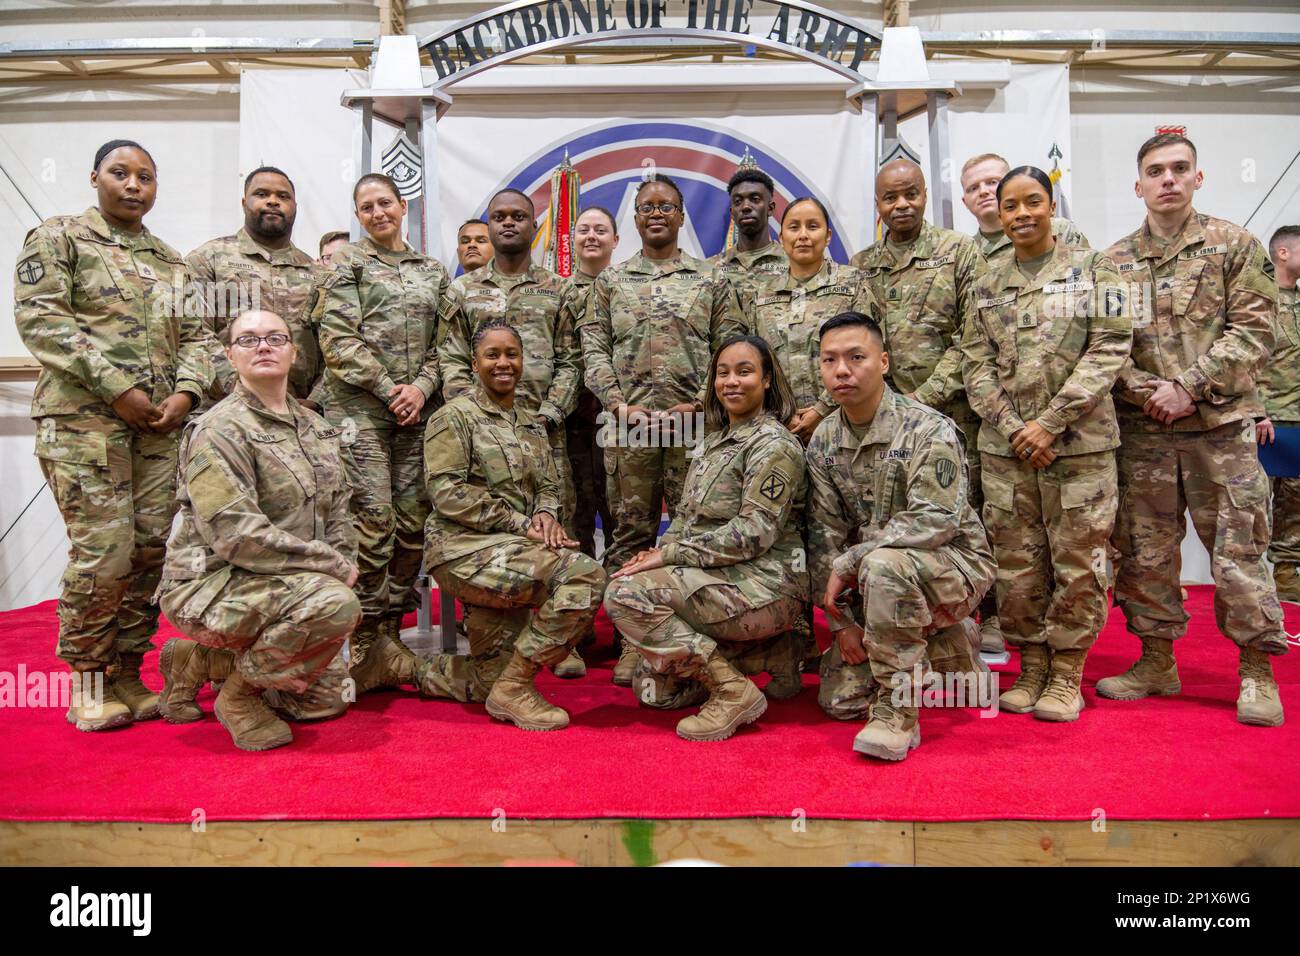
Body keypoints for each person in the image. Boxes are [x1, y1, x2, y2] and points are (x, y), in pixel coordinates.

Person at [15, 139, 214, 732]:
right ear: (94, 177)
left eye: (146, 177)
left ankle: (129, 669)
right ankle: (90, 680)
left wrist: (187, 393)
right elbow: (43, 320)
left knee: (150, 552)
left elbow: (202, 338)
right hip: (86, 424)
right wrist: (117, 389)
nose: (134, 185)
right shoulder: (59, 239)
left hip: (157, 429)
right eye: (121, 173)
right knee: (104, 554)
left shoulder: (171, 261)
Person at [1101, 133, 1287, 726]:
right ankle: (1157, 660)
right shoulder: (1112, 262)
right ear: (1139, 186)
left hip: (1219, 430)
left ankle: (1256, 671)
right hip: (1146, 432)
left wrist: (1190, 386)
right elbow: (1103, 350)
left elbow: (1257, 332)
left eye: (1180, 169)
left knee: (1239, 551)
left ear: (1198, 178)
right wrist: (1149, 392)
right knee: (1146, 554)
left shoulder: (1235, 245)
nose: (1169, 179)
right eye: (1156, 171)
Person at [962, 165, 1132, 721]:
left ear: (1051, 203)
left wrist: (1051, 422)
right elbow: (974, 362)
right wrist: (1015, 427)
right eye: (1010, 206)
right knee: (1016, 565)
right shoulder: (985, 280)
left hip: (1078, 447)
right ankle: (1030, 663)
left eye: (1032, 202)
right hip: (1007, 451)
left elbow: (1111, 346)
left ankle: (1066, 673)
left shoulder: (1098, 268)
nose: (1021, 214)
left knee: (1079, 562)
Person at [156, 310, 361, 752]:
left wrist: (344, 563)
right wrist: (330, 568)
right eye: (248, 340)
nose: (263, 347)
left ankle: (199, 662)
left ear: (293, 351)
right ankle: (239, 698)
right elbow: (236, 535)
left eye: (275, 338)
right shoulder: (218, 429)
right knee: (334, 606)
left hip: (289, 584)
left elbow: (340, 516)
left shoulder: (317, 429)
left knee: (322, 704)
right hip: (212, 583)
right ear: (230, 355)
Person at [578, 174, 748, 686]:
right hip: (629, 427)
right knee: (629, 533)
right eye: (647, 206)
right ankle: (634, 640)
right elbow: (593, 348)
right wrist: (617, 402)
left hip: (692, 427)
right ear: (635, 218)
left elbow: (732, 349)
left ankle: (688, 637)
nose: (656, 214)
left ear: (680, 216)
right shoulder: (611, 282)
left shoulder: (711, 280)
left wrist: (700, 403)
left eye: (667, 206)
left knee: (692, 535)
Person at [810, 312, 995, 760]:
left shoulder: (927, 428)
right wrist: (843, 625)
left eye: (857, 357)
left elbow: (934, 521)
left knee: (882, 563)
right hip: (876, 583)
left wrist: (852, 561)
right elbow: (822, 538)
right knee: (839, 700)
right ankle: (948, 651)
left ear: (885, 361)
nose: (842, 370)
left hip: (953, 567)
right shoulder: (823, 440)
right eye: (830, 360)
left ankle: (899, 709)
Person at [604, 335, 807, 740]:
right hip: (717, 578)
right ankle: (765, 654)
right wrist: (658, 552)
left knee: (625, 596)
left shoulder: (774, 445)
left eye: (745, 372)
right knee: (653, 692)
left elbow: (755, 532)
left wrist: (671, 557)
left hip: (766, 583)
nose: (731, 381)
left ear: (767, 380)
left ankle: (732, 691)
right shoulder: (713, 441)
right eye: (723, 372)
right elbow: (685, 519)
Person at [418, 319, 606, 729]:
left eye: (512, 354)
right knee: (584, 576)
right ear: (474, 363)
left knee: (487, 681)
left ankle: (406, 670)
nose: (503, 363)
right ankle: (517, 686)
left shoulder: (530, 423)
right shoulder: (454, 418)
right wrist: (523, 522)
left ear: (523, 362)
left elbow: (550, 484)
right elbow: (447, 494)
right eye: (492, 355)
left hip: (515, 550)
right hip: (462, 552)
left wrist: (545, 513)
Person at [851, 160, 1002, 653]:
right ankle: (898, 621)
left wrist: (922, 399)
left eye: (910, 194)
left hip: (950, 417)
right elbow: (857, 344)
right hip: (880, 423)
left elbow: (974, 336)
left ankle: (979, 617)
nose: (901, 205)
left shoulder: (957, 253)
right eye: (890, 198)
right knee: (894, 517)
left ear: (924, 196)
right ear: (877, 204)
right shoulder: (861, 265)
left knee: (961, 513)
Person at [313, 172, 449, 696]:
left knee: (414, 523)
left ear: (402, 205)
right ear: (357, 214)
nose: (377, 213)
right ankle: (367, 638)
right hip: (360, 412)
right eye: (366, 207)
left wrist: (421, 387)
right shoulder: (347, 263)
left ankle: (394, 632)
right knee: (373, 524)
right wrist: (392, 387)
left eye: (384, 203)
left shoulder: (431, 270)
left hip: (416, 412)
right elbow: (338, 339)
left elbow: (447, 343)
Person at [438, 188, 583, 674]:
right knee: (490, 520)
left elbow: (571, 361)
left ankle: (563, 637)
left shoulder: (557, 289)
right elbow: (451, 357)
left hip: (543, 428)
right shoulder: (462, 291)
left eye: (518, 217)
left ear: (533, 223)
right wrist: (469, 415)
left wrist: (550, 415)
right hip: (479, 437)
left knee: (554, 517)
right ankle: (489, 623)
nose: (508, 224)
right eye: (498, 216)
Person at [743, 196, 878, 691]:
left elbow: (865, 352)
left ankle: (848, 630)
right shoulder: (758, 291)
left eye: (813, 226)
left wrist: (820, 409)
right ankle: (792, 634)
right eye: (794, 227)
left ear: (826, 234)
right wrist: (777, 418)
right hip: (777, 432)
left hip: (839, 427)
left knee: (835, 530)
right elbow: (750, 358)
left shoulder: (852, 284)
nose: (803, 235)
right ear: (782, 236)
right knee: (783, 530)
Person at [185, 166, 322, 414]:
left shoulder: (316, 273)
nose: (272, 201)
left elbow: (331, 344)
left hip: (299, 412)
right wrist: (246, 390)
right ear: (244, 202)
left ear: (295, 206)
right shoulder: (207, 259)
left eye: (283, 196)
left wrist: (317, 399)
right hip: (223, 411)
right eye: (261, 194)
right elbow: (192, 333)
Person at [563, 206, 620, 670]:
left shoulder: (628, 288)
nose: (592, 237)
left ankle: (630, 631)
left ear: (616, 240)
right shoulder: (558, 291)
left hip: (623, 431)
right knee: (575, 526)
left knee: (624, 525)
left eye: (601, 230)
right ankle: (574, 634)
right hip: (571, 431)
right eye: (584, 230)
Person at [1257, 225, 1300, 601]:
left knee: (1294, 501)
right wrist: (1256, 412)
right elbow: (1247, 360)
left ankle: (1287, 573)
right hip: (1267, 419)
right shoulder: (1259, 301)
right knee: (1255, 503)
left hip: (1298, 417)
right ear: (1283, 253)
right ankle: (1250, 577)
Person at [960, 153, 1089, 267]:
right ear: (965, 201)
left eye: (992, 182)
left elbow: (1086, 275)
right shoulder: (965, 253)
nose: (983, 191)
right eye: (973, 188)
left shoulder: (1060, 230)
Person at [710, 167, 788, 298]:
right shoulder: (710, 269)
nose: (745, 207)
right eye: (738, 202)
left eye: (755, 199)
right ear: (732, 212)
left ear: (770, 208)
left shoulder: (793, 264)